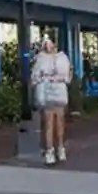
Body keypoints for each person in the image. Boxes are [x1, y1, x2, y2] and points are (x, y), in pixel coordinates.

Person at [31, 36, 73, 166]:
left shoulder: (62, 57)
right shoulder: (40, 59)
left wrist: (61, 78)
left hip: (59, 93)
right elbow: (35, 76)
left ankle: (60, 147)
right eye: (45, 44)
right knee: (48, 122)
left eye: (49, 43)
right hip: (47, 93)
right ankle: (49, 150)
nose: (48, 46)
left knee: (59, 121)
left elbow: (68, 74)